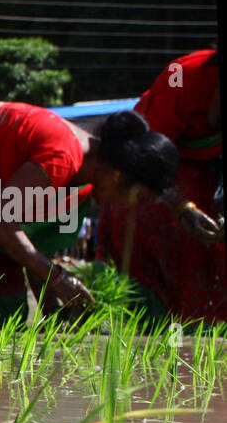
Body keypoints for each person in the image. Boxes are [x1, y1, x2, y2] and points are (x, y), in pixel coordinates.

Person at [0, 104, 179, 317]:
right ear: (118, 175)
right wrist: (56, 276)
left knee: (4, 304)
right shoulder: (62, 157)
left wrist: (52, 306)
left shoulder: (81, 188)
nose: (127, 206)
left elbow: (29, 244)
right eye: (136, 195)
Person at [95, 49, 224, 322]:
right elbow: (143, 164)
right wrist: (181, 206)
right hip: (143, 183)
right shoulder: (181, 77)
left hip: (203, 182)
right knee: (149, 291)